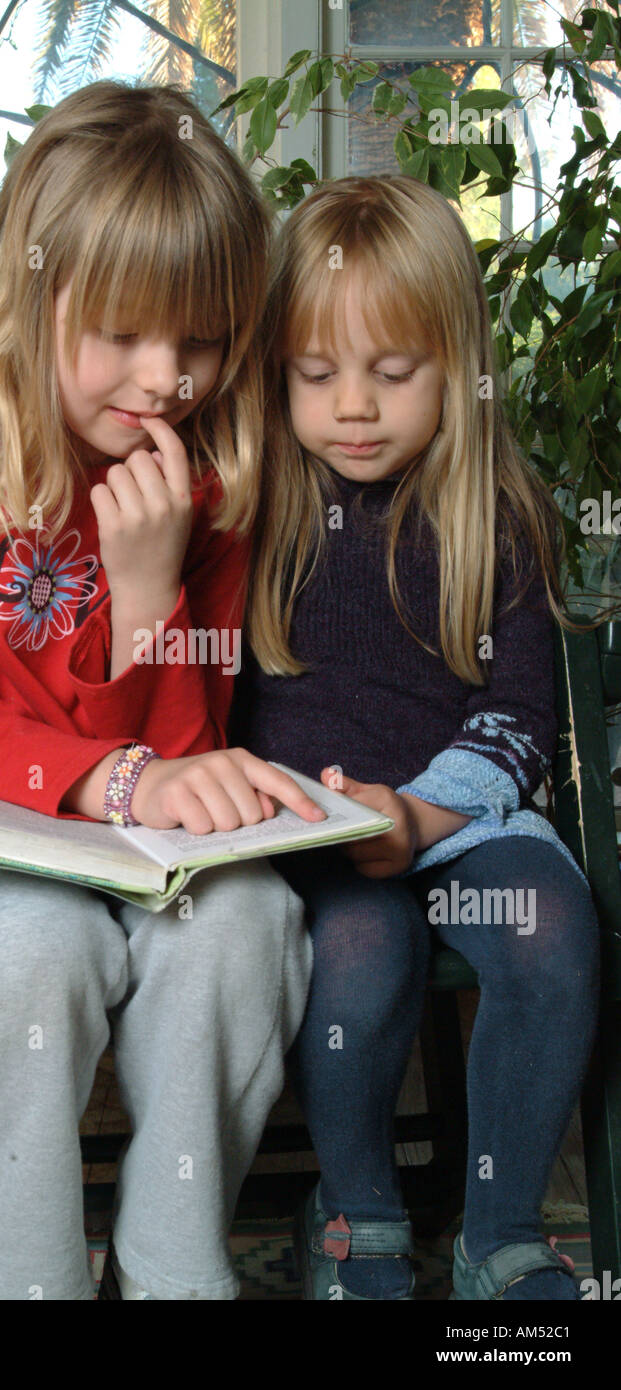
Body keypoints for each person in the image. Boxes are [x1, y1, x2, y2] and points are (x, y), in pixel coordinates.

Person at [0, 82, 326, 1301]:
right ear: (35, 285)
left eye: (203, 339)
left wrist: (148, 589)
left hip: (146, 833)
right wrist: (117, 773)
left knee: (244, 924)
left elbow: (188, 742)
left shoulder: (208, 477)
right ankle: (19, 1285)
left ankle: (176, 1269)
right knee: (31, 946)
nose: (165, 379)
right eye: (121, 330)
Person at [229, 175, 600, 1301]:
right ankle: (356, 1217)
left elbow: (519, 715)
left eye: (393, 374)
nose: (353, 405)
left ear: (458, 368)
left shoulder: (498, 515)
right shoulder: (252, 508)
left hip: (459, 815)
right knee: (361, 950)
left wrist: (422, 815)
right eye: (315, 373)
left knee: (546, 926)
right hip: (311, 828)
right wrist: (338, 822)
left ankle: (499, 1228)